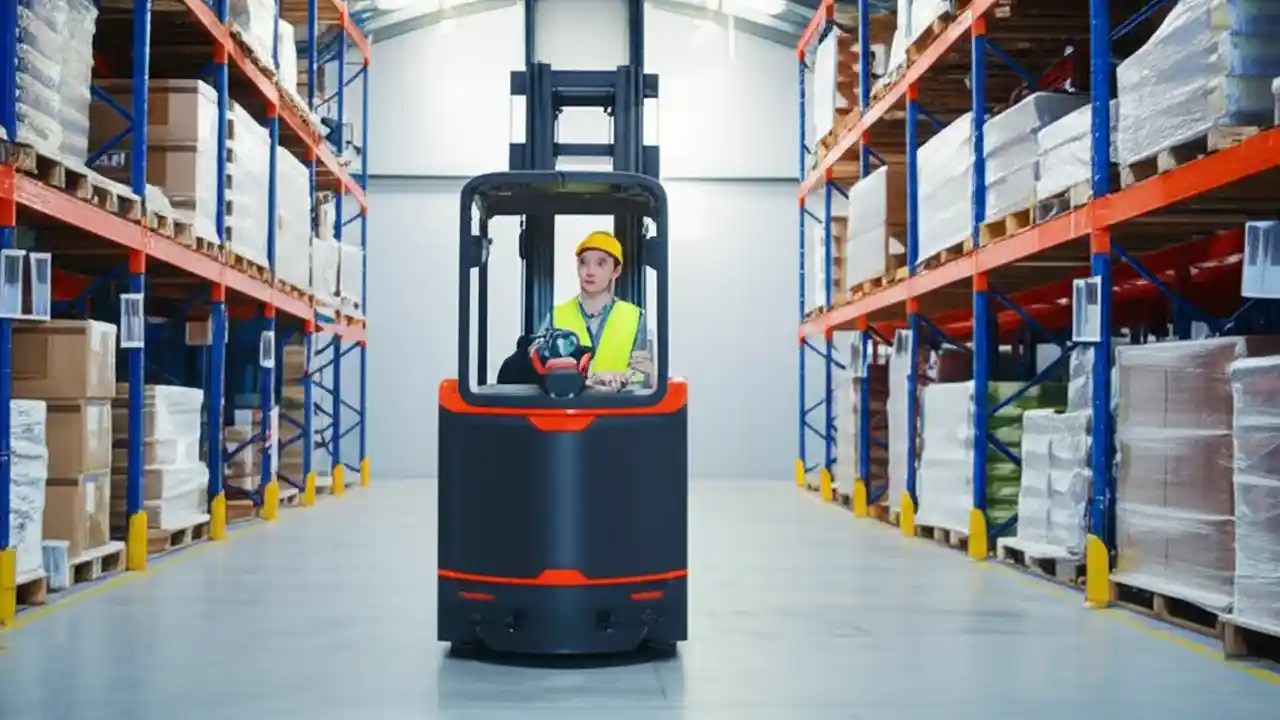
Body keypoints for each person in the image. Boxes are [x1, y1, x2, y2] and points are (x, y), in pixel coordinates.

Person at [535, 230, 654, 391]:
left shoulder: (635, 317)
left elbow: (643, 376)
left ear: (616, 271)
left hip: (618, 405)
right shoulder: (555, 316)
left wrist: (623, 378)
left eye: (600, 264)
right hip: (568, 404)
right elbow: (537, 369)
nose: (590, 271)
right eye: (583, 263)